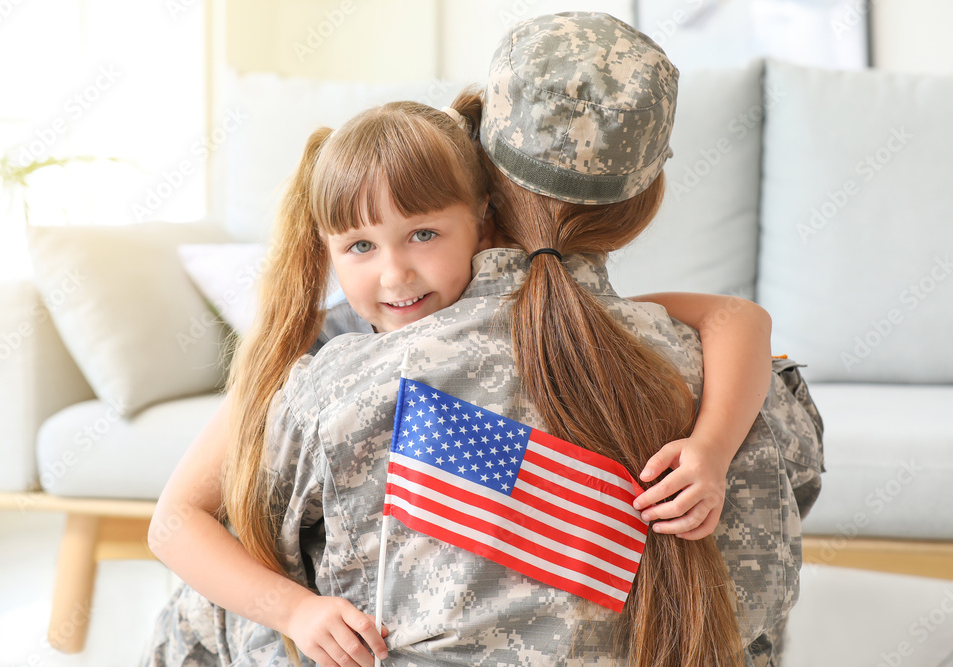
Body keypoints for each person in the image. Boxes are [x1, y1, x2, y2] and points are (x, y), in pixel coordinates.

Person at [143, 12, 822, 667]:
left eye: (422, 234)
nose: (394, 273)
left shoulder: (335, 387)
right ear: (645, 199)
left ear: (484, 205)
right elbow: (741, 328)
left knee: (216, 587)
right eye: (360, 246)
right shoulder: (731, 380)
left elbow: (191, 522)